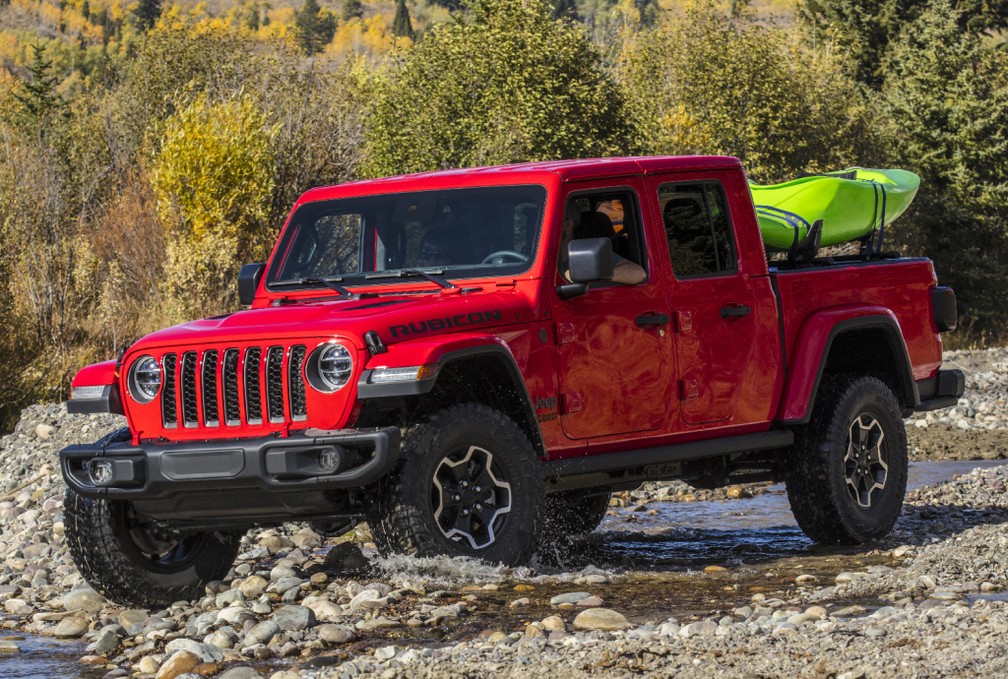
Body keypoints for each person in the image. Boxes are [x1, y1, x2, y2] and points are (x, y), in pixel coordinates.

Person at [558, 200, 646, 285]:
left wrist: (589, 275)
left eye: (555, 220)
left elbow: (638, 273)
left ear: (569, 224)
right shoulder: (545, 253)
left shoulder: (591, 252)